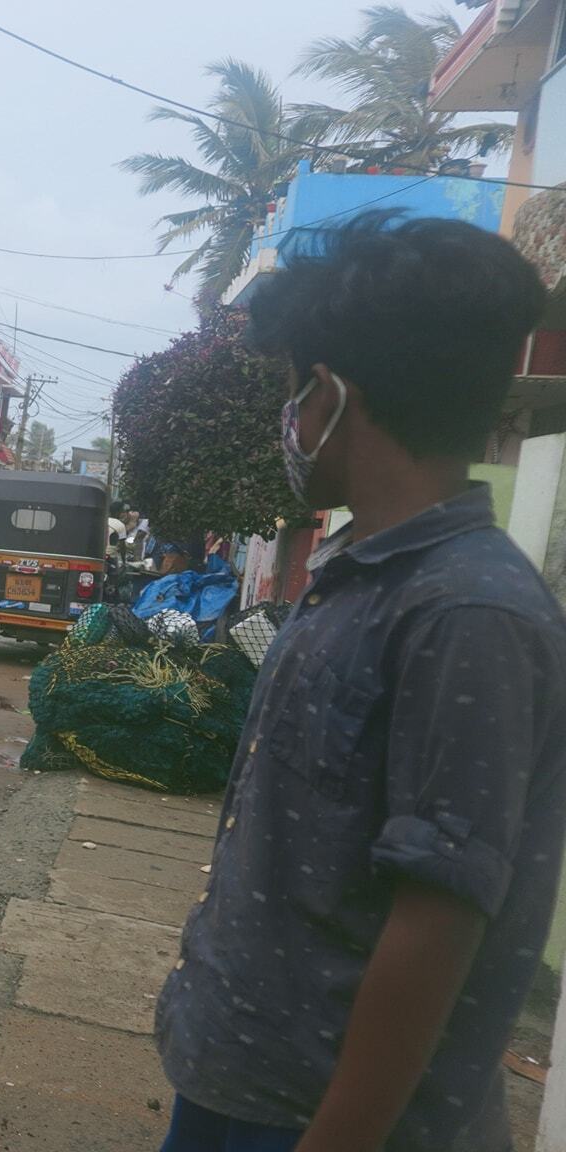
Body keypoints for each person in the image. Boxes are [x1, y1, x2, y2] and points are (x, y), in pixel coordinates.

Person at [154, 212, 566, 1152]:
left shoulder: (468, 614)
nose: (289, 424)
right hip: (238, 1071)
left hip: (325, 1116)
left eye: (295, 394)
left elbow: (439, 913)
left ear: (333, 395)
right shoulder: (357, 574)